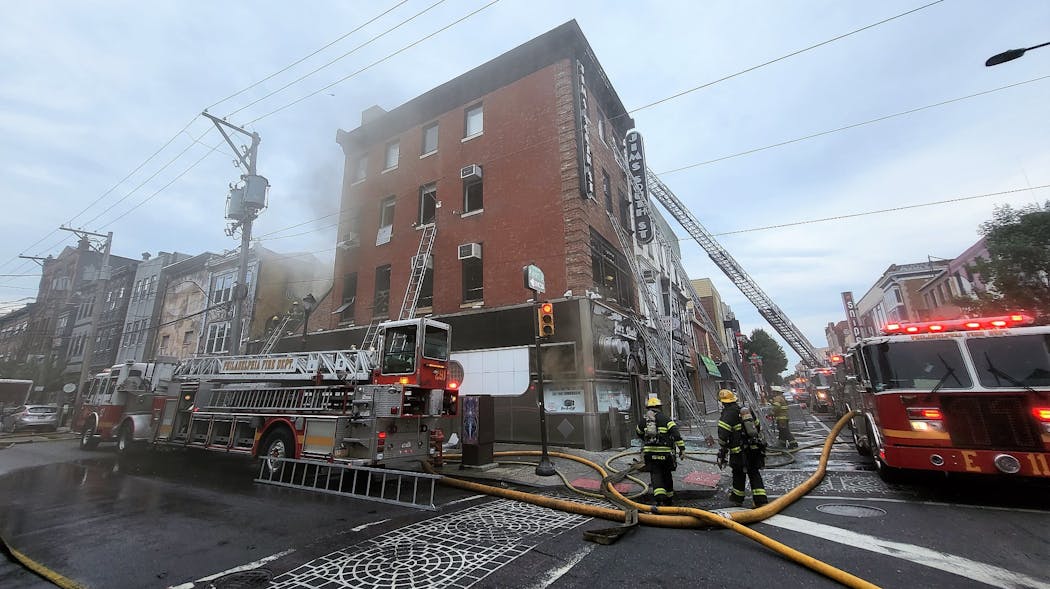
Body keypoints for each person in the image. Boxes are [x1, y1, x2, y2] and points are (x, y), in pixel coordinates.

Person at [717, 389, 768, 507]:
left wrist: (723, 448)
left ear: (723, 403)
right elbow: (757, 426)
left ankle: (737, 498)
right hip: (754, 448)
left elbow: (723, 435)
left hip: (738, 451)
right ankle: (761, 500)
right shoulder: (745, 410)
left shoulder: (727, 414)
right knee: (754, 472)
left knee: (738, 474)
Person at [635, 396, 686, 506]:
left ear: (648, 408)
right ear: (659, 407)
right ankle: (669, 499)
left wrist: (645, 440)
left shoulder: (644, 420)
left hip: (650, 454)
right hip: (665, 454)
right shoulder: (666, 419)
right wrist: (682, 449)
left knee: (656, 475)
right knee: (666, 474)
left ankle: (660, 499)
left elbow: (638, 432)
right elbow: (676, 434)